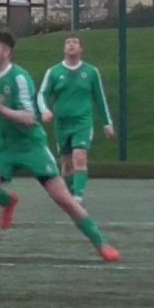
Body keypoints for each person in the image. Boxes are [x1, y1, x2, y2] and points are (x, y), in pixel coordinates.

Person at [0, 28, 119, 262]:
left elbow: (30, 119)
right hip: (2, 147)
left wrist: (1, 109)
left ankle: (102, 244)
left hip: (31, 147)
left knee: (64, 200)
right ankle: (9, 202)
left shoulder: (19, 78)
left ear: (7, 52)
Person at [37, 33, 115, 203]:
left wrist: (108, 123)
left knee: (80, 156)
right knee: (67, 164)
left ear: (81, 48)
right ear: (64, 48)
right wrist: (45, 111)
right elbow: (42, 94)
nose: (71, 45)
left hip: (83, 123)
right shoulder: (54, 72)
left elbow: (100, 98)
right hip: (62, 125)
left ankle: (77, 197)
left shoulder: (91, 72)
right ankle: (70, 193)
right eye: (68, 42)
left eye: (74, 42)